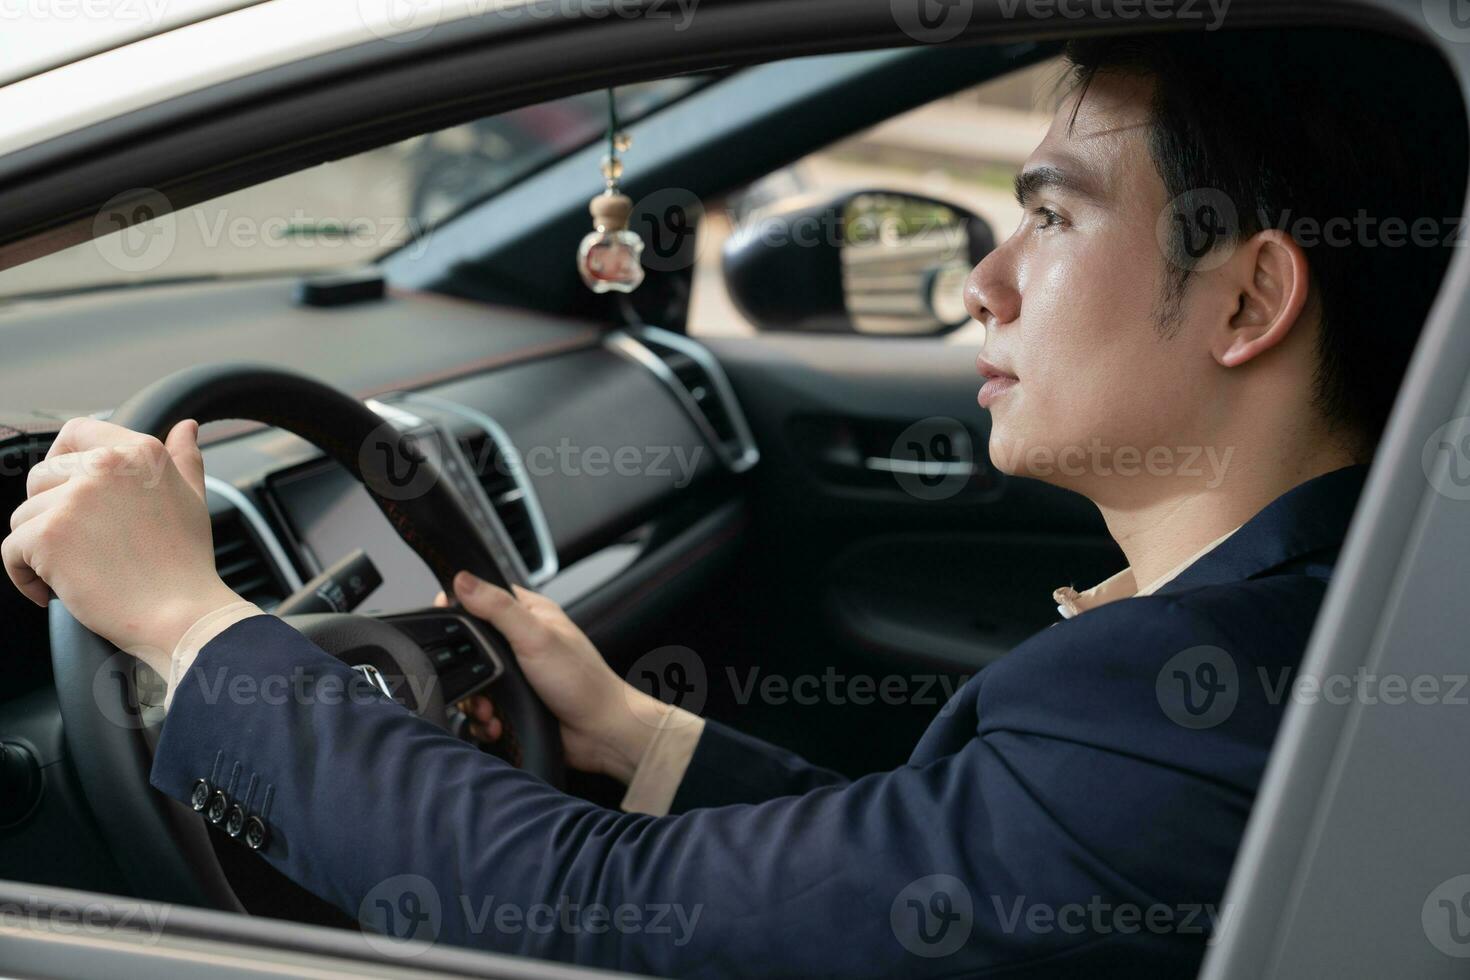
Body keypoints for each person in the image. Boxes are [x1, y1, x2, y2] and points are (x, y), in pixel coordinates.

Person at [5, 29, 1464, 979]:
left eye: (1053, 213)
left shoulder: (1179, 713)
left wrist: (188, 624)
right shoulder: (1303, 616)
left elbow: (600, 913)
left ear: (1252, 295)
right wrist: (637, 733)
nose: (985, 281)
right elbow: (931, 869)